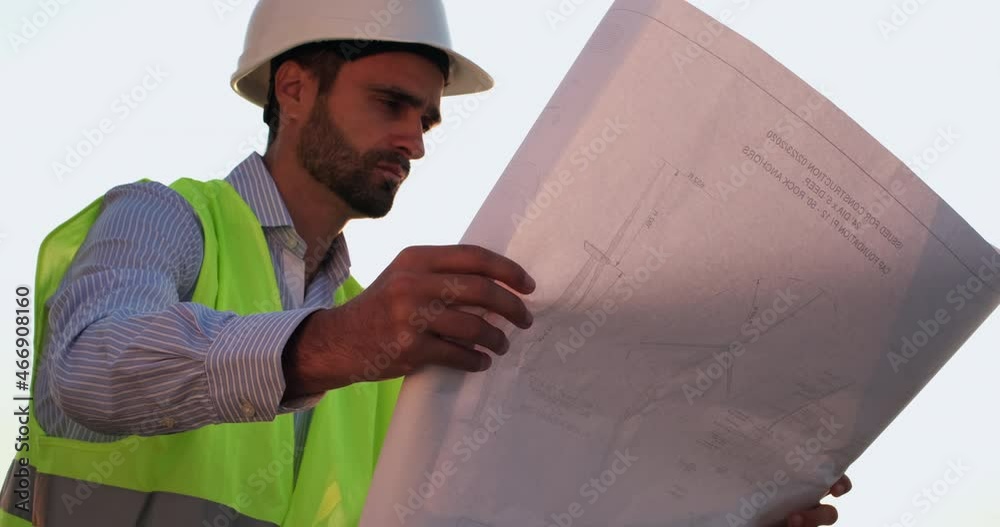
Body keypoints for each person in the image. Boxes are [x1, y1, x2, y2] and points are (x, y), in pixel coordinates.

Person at [0, 0, 851, 525]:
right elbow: (84, 370)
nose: (413, 139)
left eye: (426, 120)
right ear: (292, 90)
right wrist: (334, 345)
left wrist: (715, 514)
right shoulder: (165, 218)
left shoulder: (381, 339)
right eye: (391, 103)